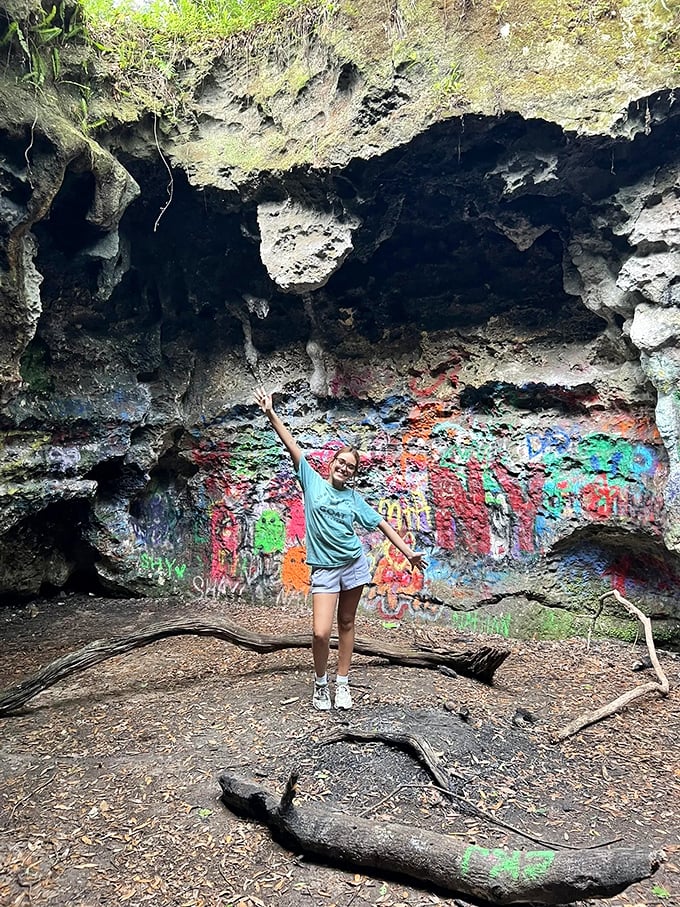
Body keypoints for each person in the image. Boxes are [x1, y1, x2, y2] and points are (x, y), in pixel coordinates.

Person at [255, 386, 427, 711]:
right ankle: (321, 684)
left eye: (351, 467)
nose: (345, 469)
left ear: (353, 474)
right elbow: (291, 445)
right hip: (324, 570)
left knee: (346, 623)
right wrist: (270, 413)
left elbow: (381, 525)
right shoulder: (312, 481)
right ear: (332, 463)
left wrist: (408, 552)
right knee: (321, 632)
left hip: (353, 565)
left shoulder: (353, 499)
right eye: (341, 463)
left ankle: (343, 684)